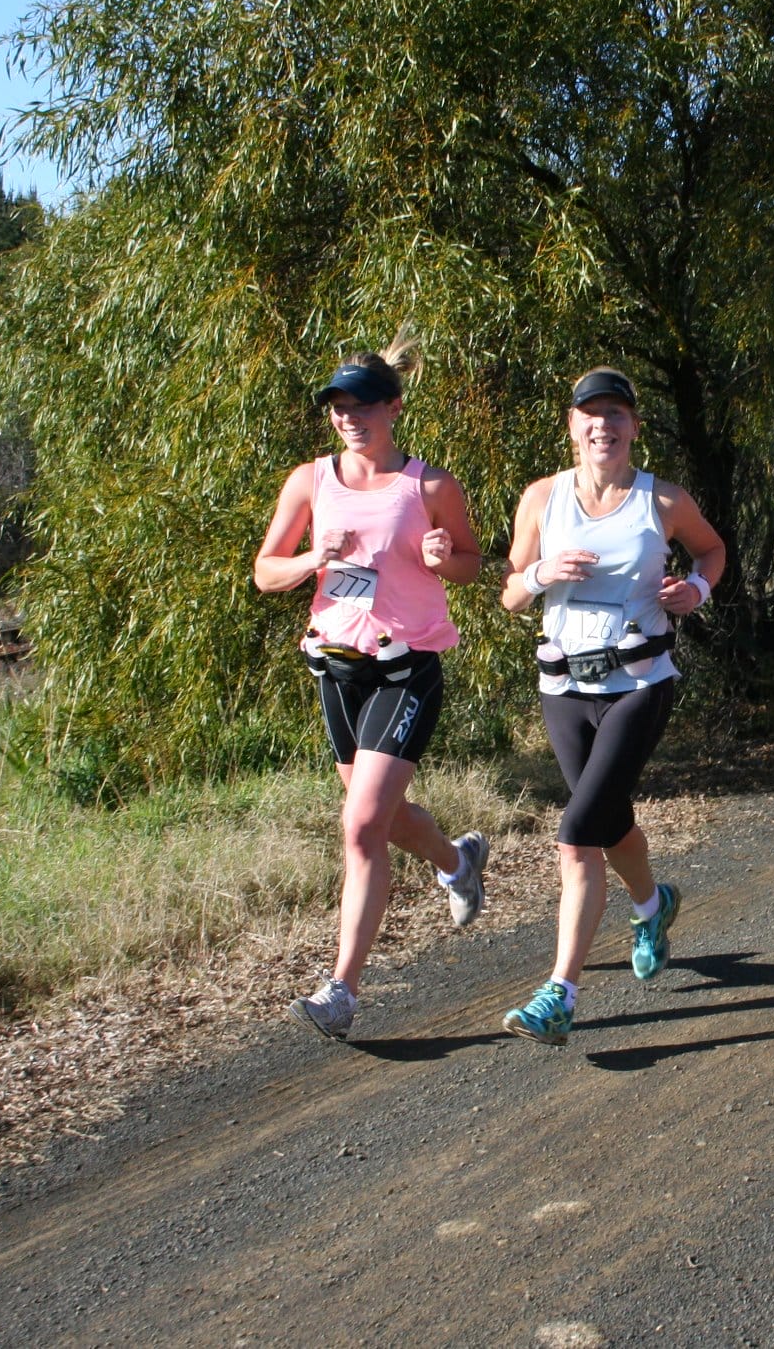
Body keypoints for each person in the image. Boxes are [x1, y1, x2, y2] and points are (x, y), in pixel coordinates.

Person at [254, 334, 489, 1041]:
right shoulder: (309, 481)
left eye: (361, 405)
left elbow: (474, 565)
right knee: (380, 817)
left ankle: (342, 992)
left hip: (404, 667)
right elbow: (265, 570)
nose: (348, 416)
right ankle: (458, 861)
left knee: (360, 825)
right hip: (335, 667)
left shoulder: (429, 485)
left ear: (394, 407)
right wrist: (309, 560)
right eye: (337, 406)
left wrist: (441, 558)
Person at [499, 367, 726, 1046]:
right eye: (589, 414)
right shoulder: (541, 498)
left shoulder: (662, 501)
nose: (603, 425)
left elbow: (712, 550)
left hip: (639, 683)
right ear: (572, 426)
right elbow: (511, 591)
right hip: (565, 688)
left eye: (616, 414)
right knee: (607, 817)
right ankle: (653, 906)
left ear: (633, 426)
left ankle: (559, 993)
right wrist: (542, 574)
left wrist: (695, 589)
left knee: (576, 833)